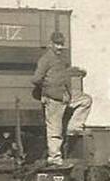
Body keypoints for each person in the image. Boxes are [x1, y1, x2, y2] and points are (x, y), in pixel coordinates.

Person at [31, 31, 92, 166]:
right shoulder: (45, 59)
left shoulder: (60, 59)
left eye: (61, 44)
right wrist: (48, 89)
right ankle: (54, 157)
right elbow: (36, 79)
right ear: (50, 44)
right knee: (55, 129)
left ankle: (73, 127)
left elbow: (63, 73)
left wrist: (77, 71)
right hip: (53, 99)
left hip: (65, 96)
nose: (59, 47)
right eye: (57, 44)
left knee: (85, 100)